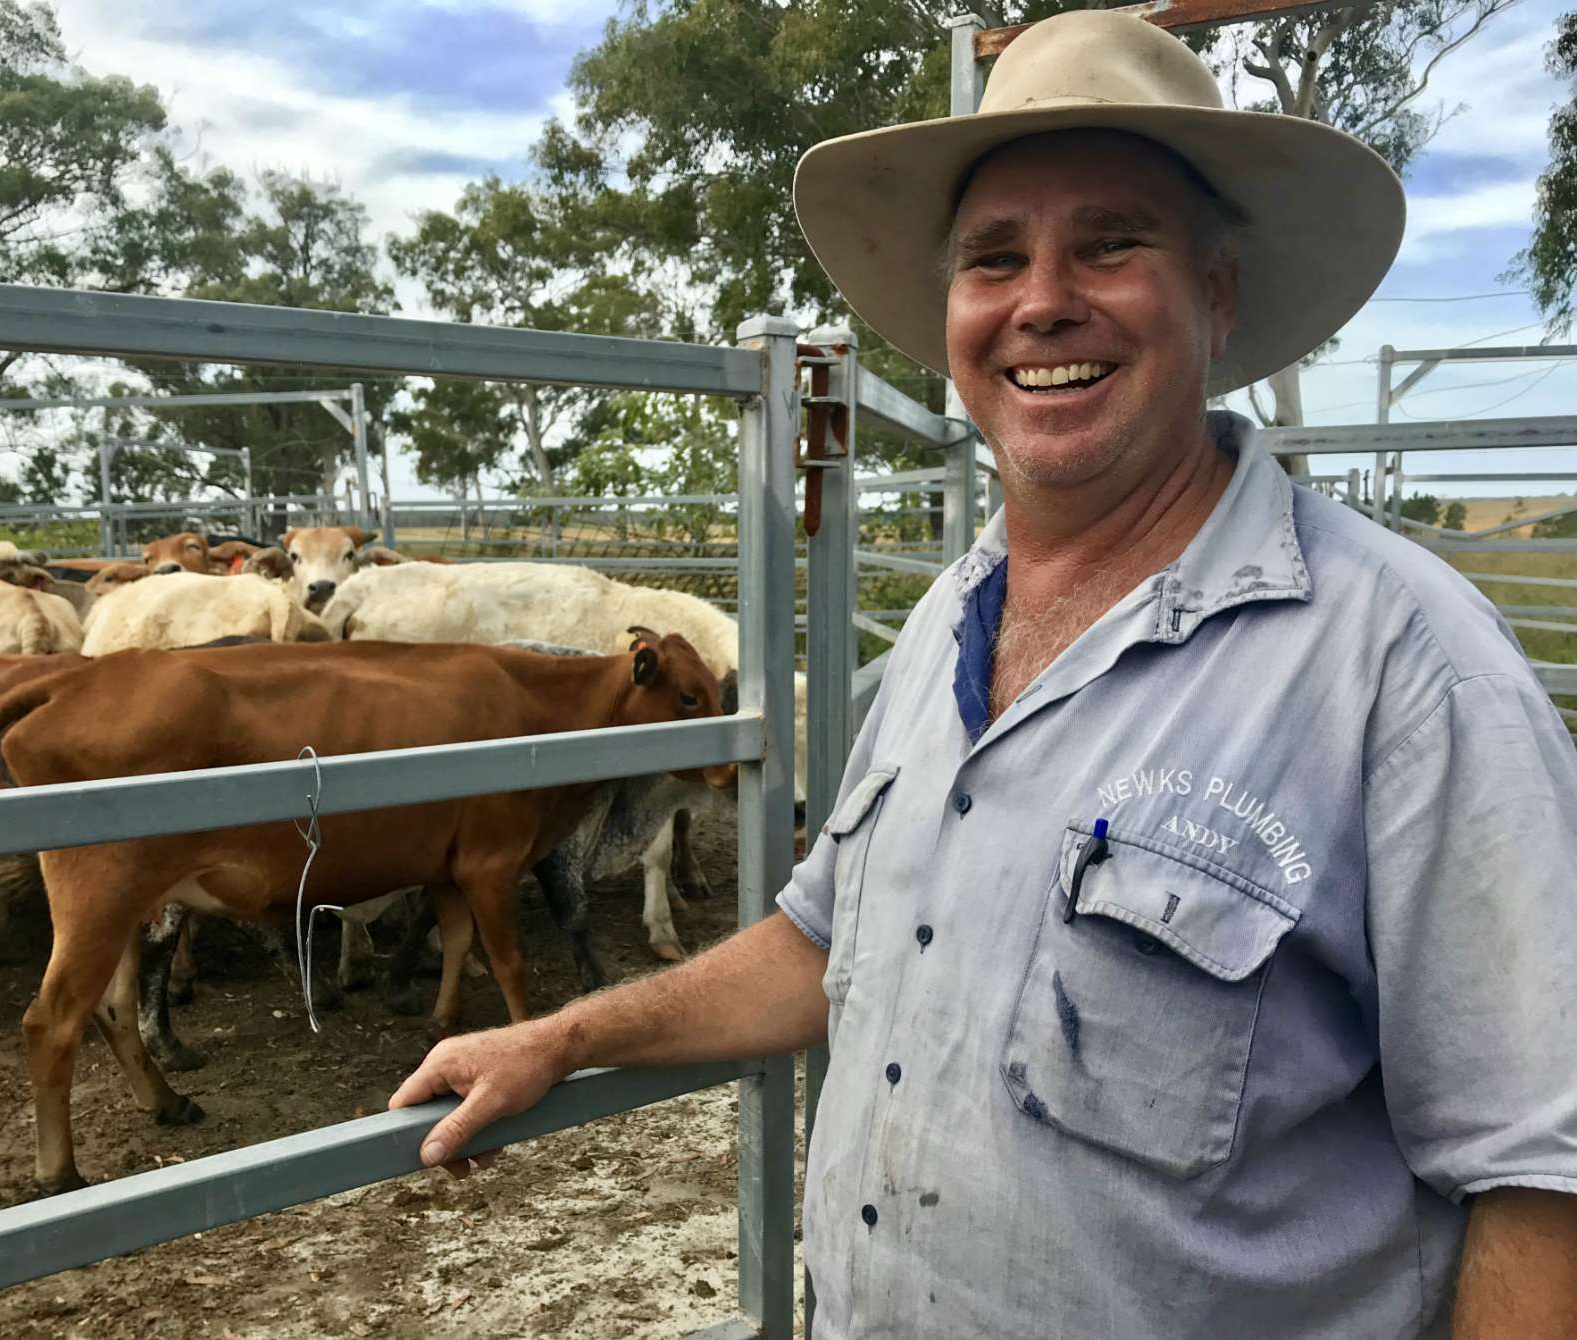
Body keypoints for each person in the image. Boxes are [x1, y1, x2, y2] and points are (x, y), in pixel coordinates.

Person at [390, 10, 1577, 1335]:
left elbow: (1540, 1179)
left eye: (1110, 242)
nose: (1041, 300)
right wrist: (567, 1034)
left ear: (1217, 291)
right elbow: (821, 941)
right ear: (953, 313)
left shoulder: (1404, 669)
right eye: (992, 257)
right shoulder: (946, 626)